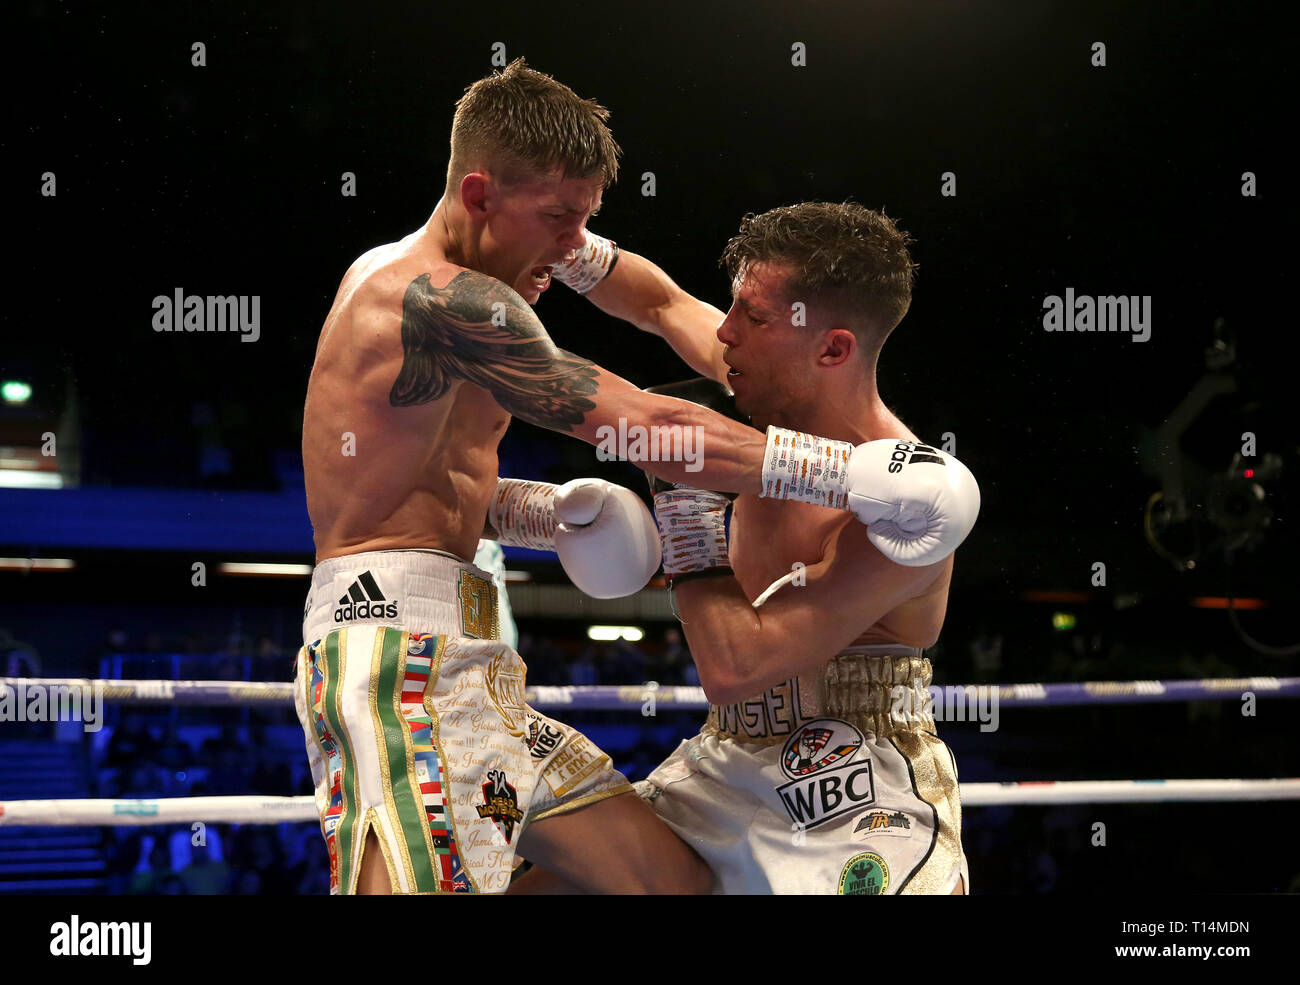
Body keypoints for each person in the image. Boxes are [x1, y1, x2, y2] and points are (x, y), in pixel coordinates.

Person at [297, 55, 974, 895]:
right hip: (398, 653)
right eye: (559, 219)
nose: (571, 245)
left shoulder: (774, 392)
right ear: (479, 196)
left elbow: (652, 308)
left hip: (500, 669)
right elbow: (651, 426)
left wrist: (548, 514)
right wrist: (861, 477)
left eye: (584, 223)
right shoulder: (448, 302)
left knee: (667, 886)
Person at [537, 201, 979, 893]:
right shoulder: (761, 395)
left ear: (831, 348)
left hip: (859, 789)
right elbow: (658, 303)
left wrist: (685, 505)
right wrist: (566, 244)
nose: (723, 332)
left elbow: (738, 665)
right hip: (726, 765)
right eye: (735, 307)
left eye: (753, 317)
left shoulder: (907, 505)